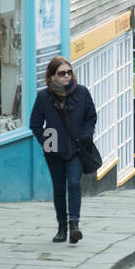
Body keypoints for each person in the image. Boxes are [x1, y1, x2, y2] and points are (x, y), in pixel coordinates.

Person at [30, 56, 96, 244]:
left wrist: (86, 136)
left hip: (76, 148)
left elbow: (91, 117)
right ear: (52, 76)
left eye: (69, 72)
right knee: (59, 189)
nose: (66, 76)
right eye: (61, 73)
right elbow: (35, 124)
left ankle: (74, 225)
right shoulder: (44, 97)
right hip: (54, 151)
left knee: (74, 183)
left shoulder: (82, 92)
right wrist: (45, 141)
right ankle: (62, 227)